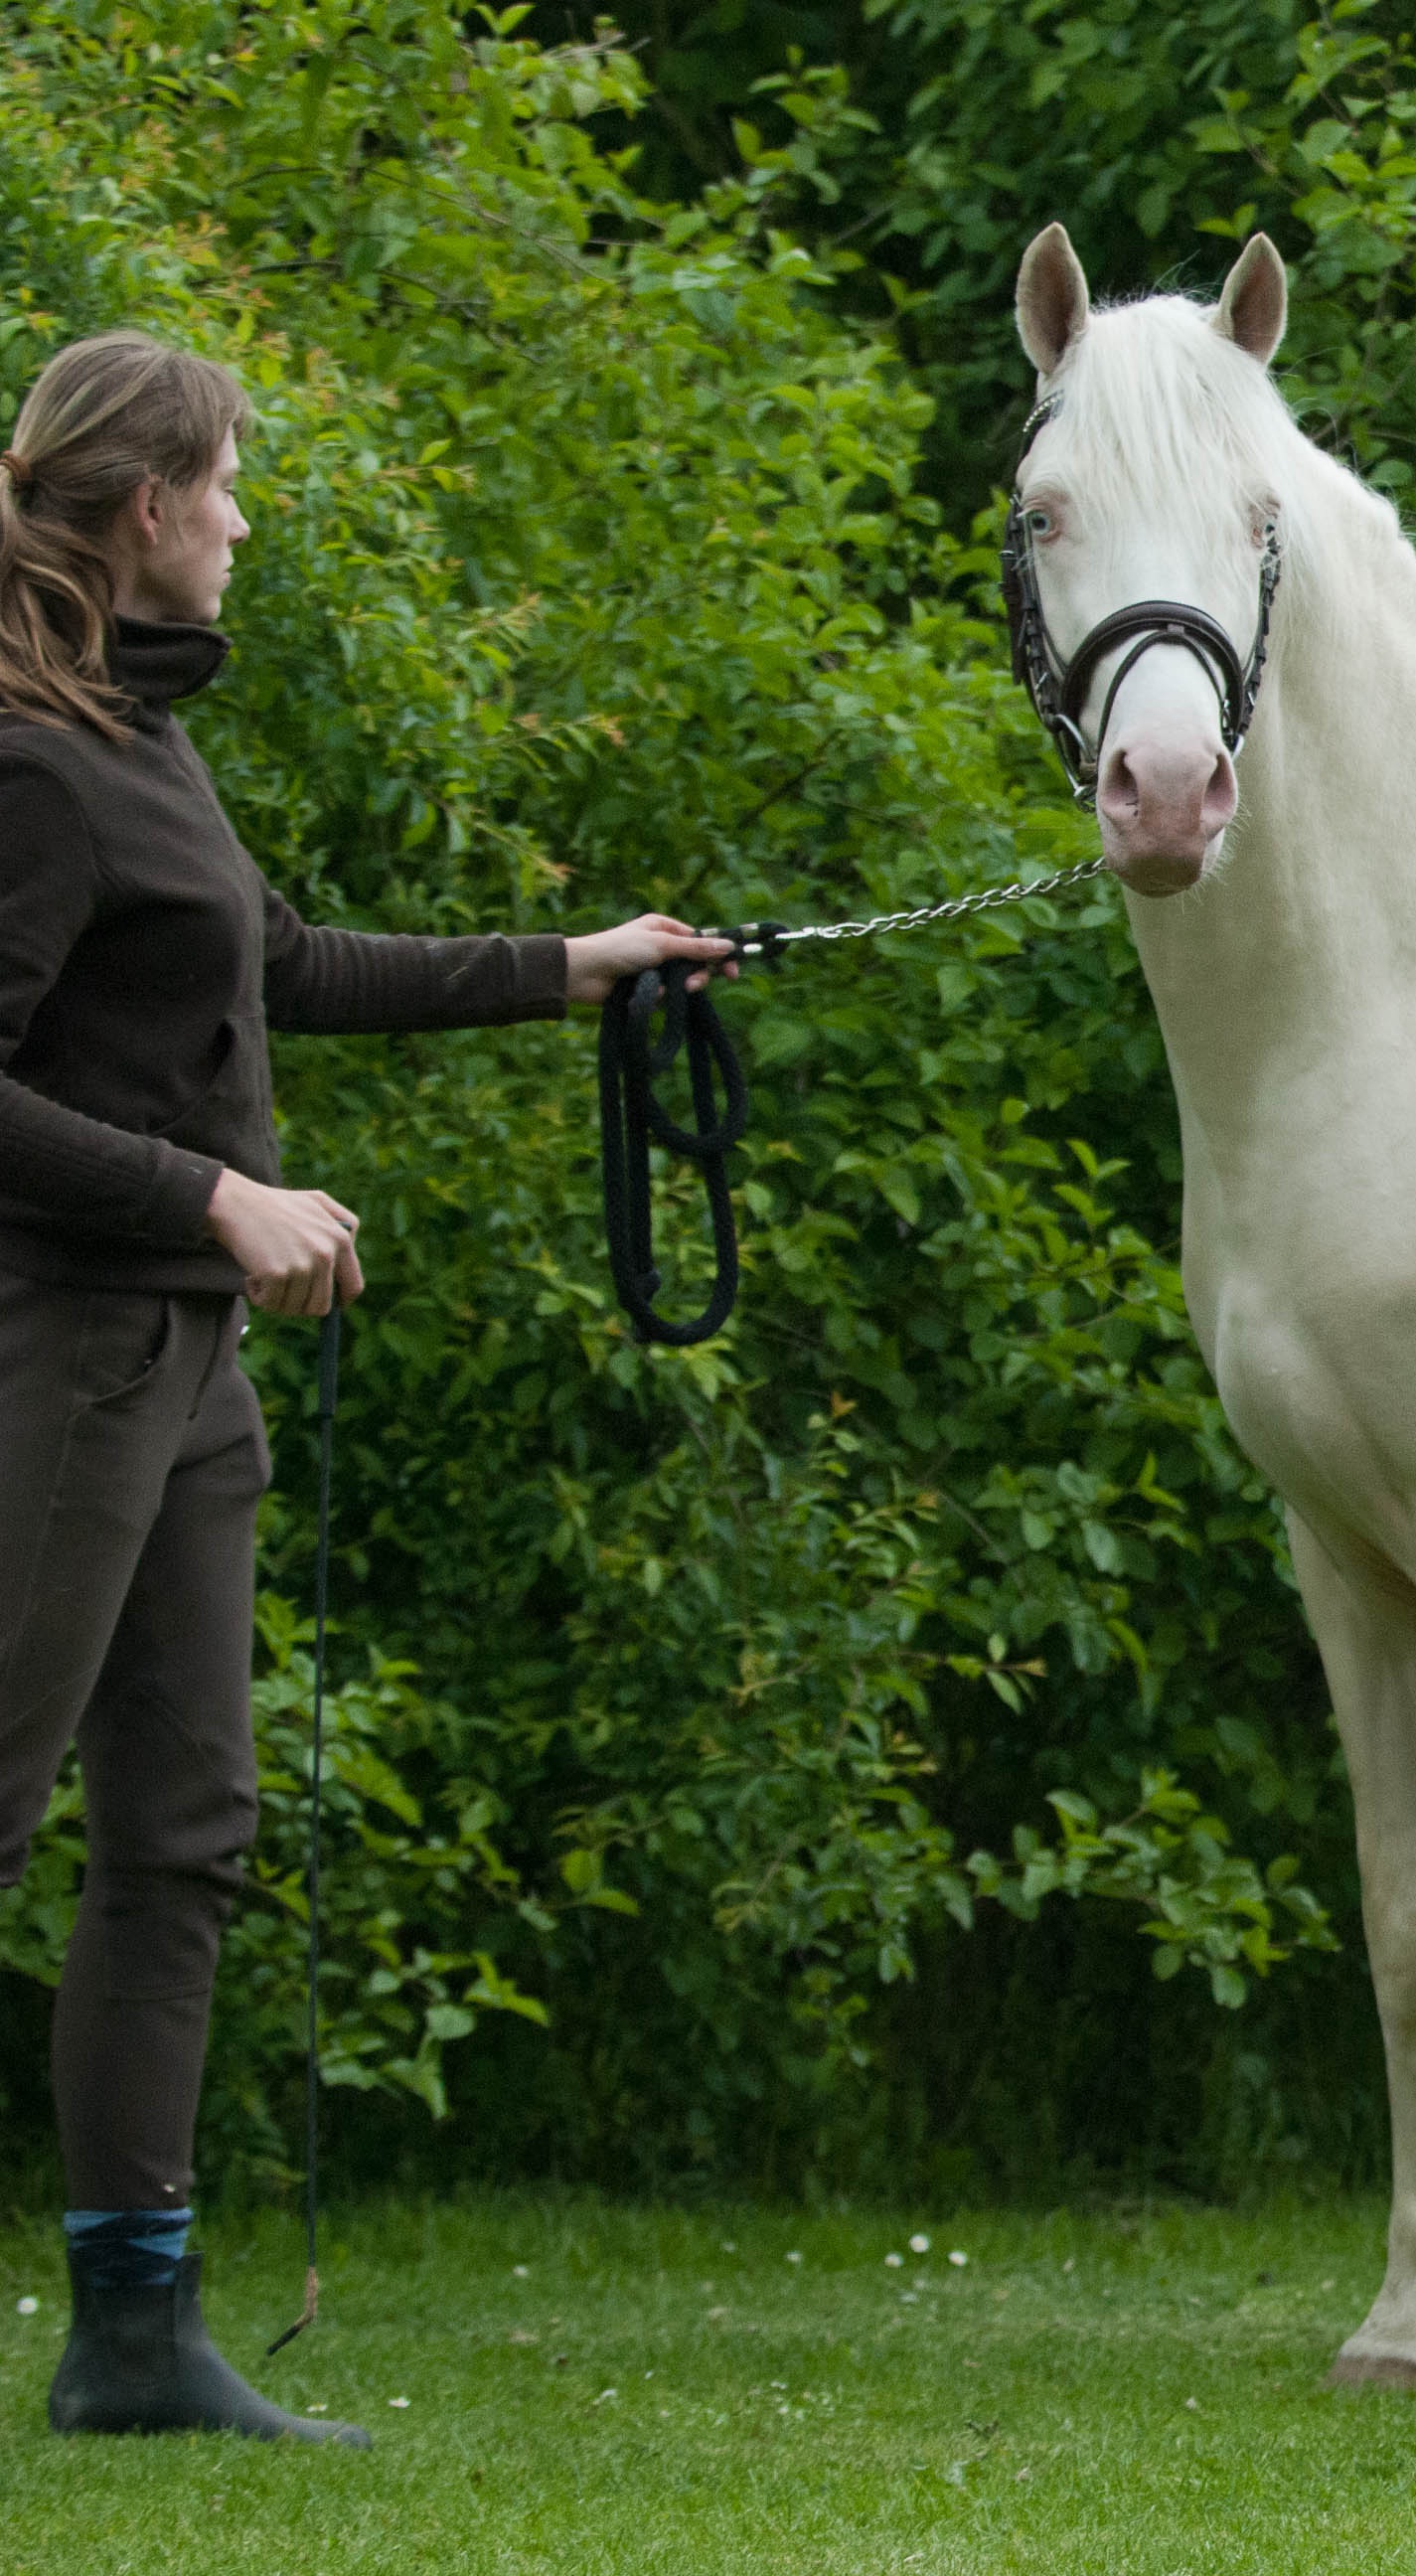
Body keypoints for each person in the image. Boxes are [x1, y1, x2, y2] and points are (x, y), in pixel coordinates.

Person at [0, 330, 729, 2445]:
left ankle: (134, 2336)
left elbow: (285, 964)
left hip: (183, 1377)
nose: (243, 519)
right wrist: (216, 1195)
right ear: (147, 511)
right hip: (62, 1358)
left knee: (182, 1837)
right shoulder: (32, 761)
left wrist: (582, 963)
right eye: (225, 485)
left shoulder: (132, 740)